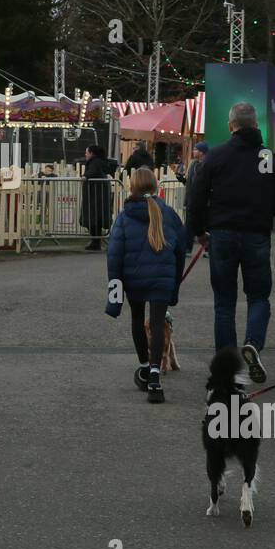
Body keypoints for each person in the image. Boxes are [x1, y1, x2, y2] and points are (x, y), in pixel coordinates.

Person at [187, 102, 275, 384]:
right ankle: (253, 342)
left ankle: (226, 365)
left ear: (231, 125)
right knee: (259, 296)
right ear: (255, 125)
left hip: (222, 234)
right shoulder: (267, 156)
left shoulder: (216, 156)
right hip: (256, 234)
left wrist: (200, 231)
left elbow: (196, 198)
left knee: (224, 302)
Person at [106, 168, 188, 404]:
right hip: (162, 278)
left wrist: (115, 288)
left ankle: (144, 365)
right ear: (156, 186)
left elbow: (114, 254)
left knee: (137, 319)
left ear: (131, 187)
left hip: (134, 277)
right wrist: (175, 280)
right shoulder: (168, 213)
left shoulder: (124, 217)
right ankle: (155, 374)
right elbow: (181, 248)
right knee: (157, 322)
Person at [80, 144, 117, 250]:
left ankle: (95, 242)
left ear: (91, 153)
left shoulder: (95, 162)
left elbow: (93, 171)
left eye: (86, 152)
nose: (85, 154)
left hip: (94, 195)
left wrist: (85, 176)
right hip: (99, 193)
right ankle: (96, 241)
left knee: (92, 217)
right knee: (97, 218)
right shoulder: (99, 161)